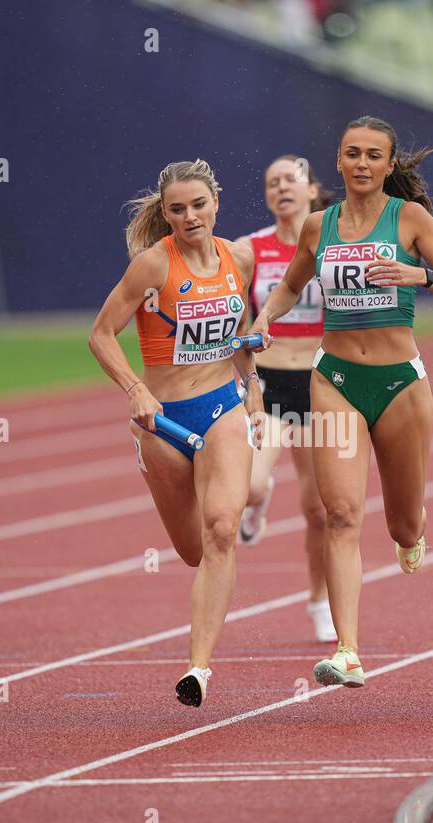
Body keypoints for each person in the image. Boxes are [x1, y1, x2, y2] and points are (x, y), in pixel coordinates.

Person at [247, 116, 433, 689]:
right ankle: (348, 651)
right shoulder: (318, 227)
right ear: (339, 162)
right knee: (341, 513)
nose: (363, 164)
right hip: (336, 381)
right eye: (352, 154)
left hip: (400, 381)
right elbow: (292, 283)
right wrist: (265, 318)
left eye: (375, 155)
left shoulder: (412, 219)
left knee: (401, 523)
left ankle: (412, 532)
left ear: (390, 165)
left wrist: (417, 275)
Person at [88, 159, 261, 708]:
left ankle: (198, 670)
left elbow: (235, 332)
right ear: (165, 214)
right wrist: (134, 388)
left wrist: (252, 381)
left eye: (199, 205)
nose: (190, 216)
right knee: (192, 550)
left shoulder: (241, 258)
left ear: (217, 203)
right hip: (161, 421)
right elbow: (100, 335)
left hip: (221, 408)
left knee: (220, 532)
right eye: (178, 209)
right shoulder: (151, 268)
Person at [234, 155, 338, 643]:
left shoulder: (335, 244)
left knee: (320, 510)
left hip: (322, 386)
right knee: (250, 488)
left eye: (291, 180)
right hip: (270, 386)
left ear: (313, 190)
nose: (281, 189)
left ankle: (319, 600)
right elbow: (233, 317)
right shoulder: (249, 250)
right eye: (271, 182)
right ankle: (259, 506)